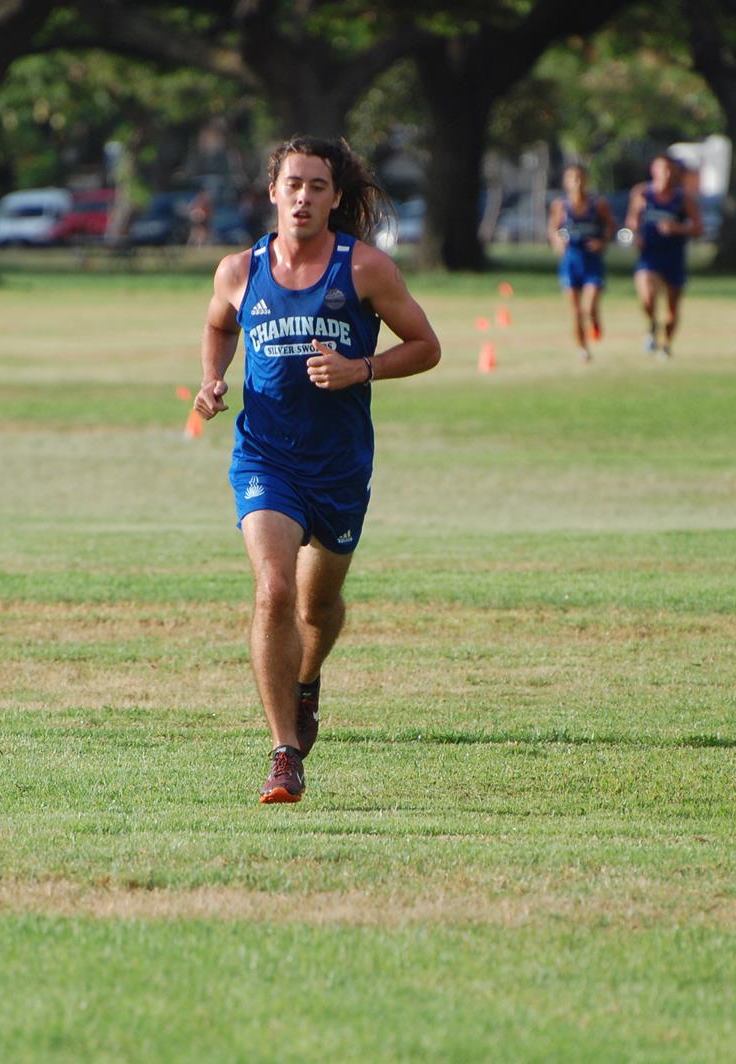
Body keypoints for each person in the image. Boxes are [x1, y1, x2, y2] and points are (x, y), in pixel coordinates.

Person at [193, 135, 441, 804]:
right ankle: (283, 754)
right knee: (273, 591)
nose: (303, 197)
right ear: (272, 192)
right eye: (293, 184)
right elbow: (220, 324)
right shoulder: (238, 271)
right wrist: (212, 380)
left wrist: (362, 368)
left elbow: (426, 346)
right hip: (266, 458)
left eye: (318, 187)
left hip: (339, 465)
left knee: (317, 604)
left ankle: (308, 682)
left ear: (335, 199)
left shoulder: (364, 270)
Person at [624, 154, 703, 359]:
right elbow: (631, 223)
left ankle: (666, 345)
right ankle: (652, 326)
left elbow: (698, 228)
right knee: (647, 298)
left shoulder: (683, 198)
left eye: (670, 169)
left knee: (672, 308)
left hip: (673, 256)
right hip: (649, 255)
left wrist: (677, 228)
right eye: (662, 168)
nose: (666, 174)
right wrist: (635, 235)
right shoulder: (642, 194)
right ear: (653, 170)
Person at [547, 163, 615, 362]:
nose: (576, 182)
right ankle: (583, 349)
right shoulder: (560, 206)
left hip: (592, 262)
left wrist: (602, 241)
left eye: (580, 177)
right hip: (570, 261)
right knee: (576, 311)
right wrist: (558, 240)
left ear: (586, 180)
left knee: (589, 306)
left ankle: (594, 318)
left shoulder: (598, 205)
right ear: (565, 182)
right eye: (571, 178)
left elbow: (611, 227)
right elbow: (554, 229)